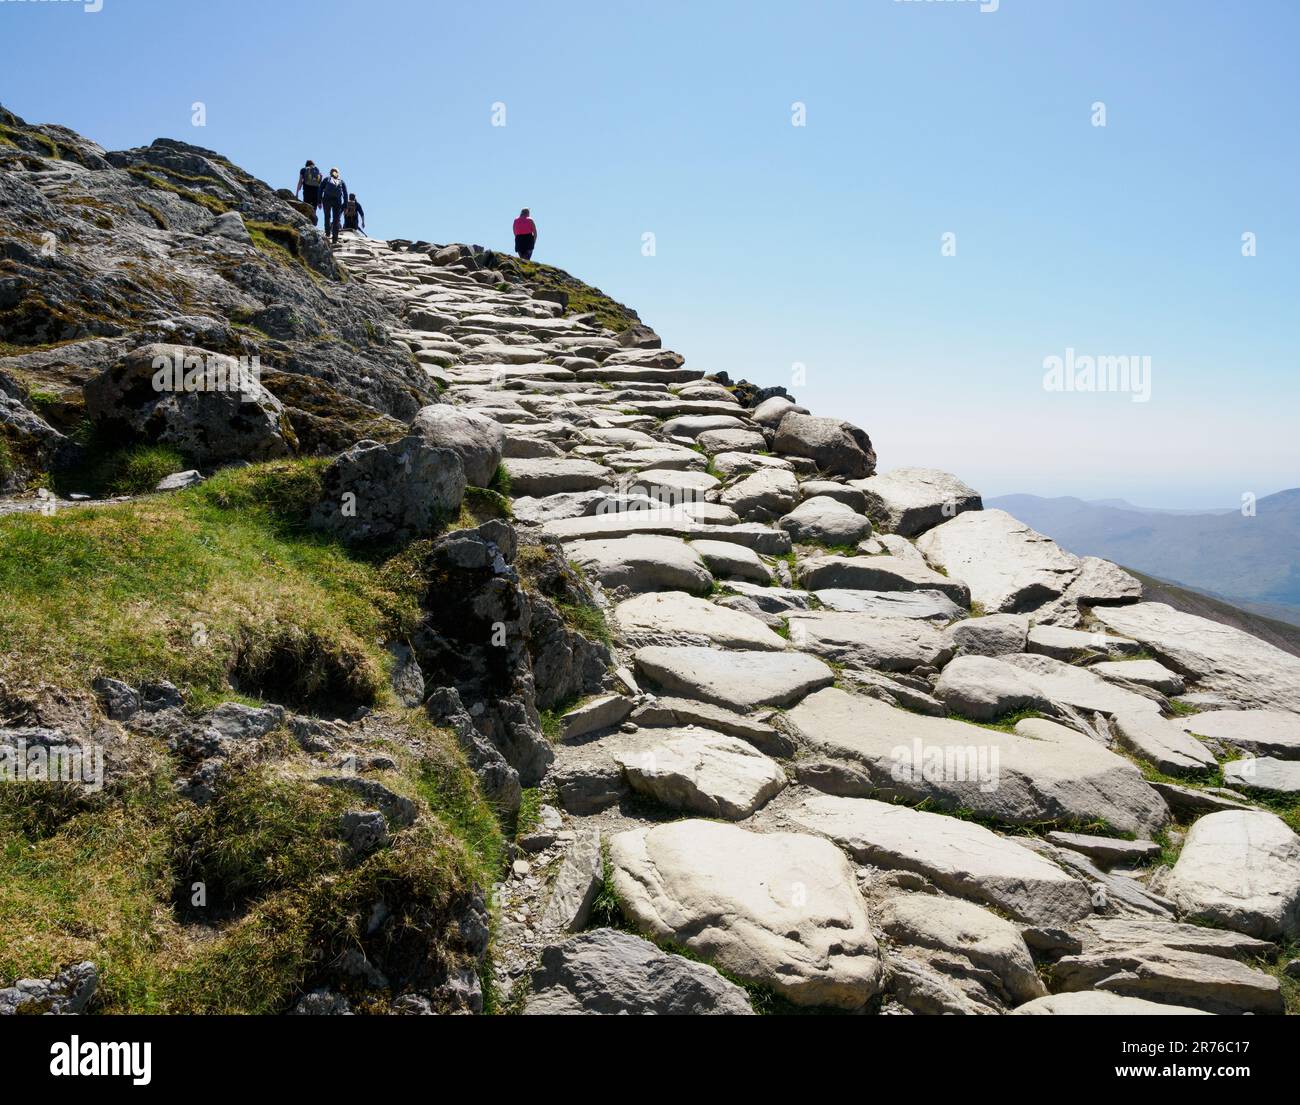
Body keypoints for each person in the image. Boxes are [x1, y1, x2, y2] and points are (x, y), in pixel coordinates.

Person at [319, 167, 348, 245]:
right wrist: (345, 206)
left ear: (330, 173)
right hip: (337, 201)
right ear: (337, 173)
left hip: (326, 200)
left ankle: (327, 233)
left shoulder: (326, 179)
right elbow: (345, 194)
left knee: (327, 216)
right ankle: (335, 239)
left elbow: (320, 189)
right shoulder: (341, 181)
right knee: (336, 220)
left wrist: (319, 201)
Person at [296, 159, 322, 226]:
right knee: (314, 210)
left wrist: (297, 192)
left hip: (307, 192)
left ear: (306, 164)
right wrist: (320, 200)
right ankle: (313, 226)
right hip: (316, 193)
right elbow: (319, 184)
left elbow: (300, 182)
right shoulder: (317, 171)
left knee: (306, 209)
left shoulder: (303, 170)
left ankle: (306, 225)